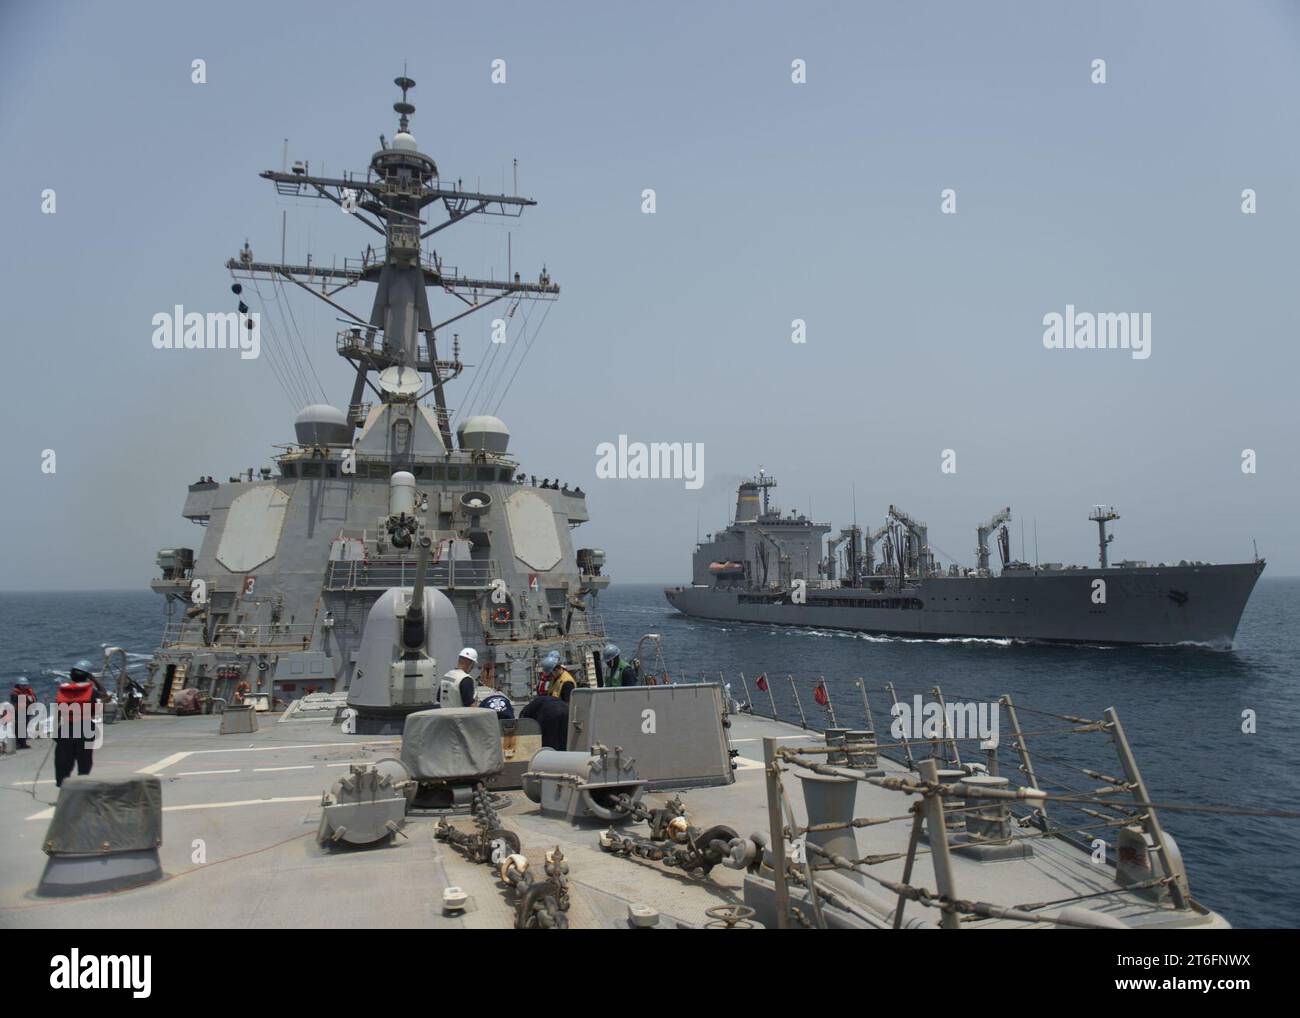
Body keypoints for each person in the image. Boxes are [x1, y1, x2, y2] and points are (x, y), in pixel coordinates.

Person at [54, 661, 105, 787]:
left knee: (63, 761)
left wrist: (56, 730)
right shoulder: (91, 691)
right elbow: (104, 695)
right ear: (87, 676)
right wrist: (94, 680)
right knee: (84, 759)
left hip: (66, 728)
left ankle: (63, 786)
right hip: (85, 727)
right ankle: (82, 785)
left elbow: (58, 710)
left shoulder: (63, 690)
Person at [9, 678, 36, 749]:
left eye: (25, 685)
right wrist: (28, 698)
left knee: (24, 727)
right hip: (18, 712)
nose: (24, 686)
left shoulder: (29, 691)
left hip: (27, 711)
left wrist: (29, 699)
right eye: (22, 685)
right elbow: (17, 700)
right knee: (18, 728)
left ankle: (23, 743)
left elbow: (34, 699)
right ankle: (18, 743)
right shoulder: (14, 693)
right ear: (19, 685)